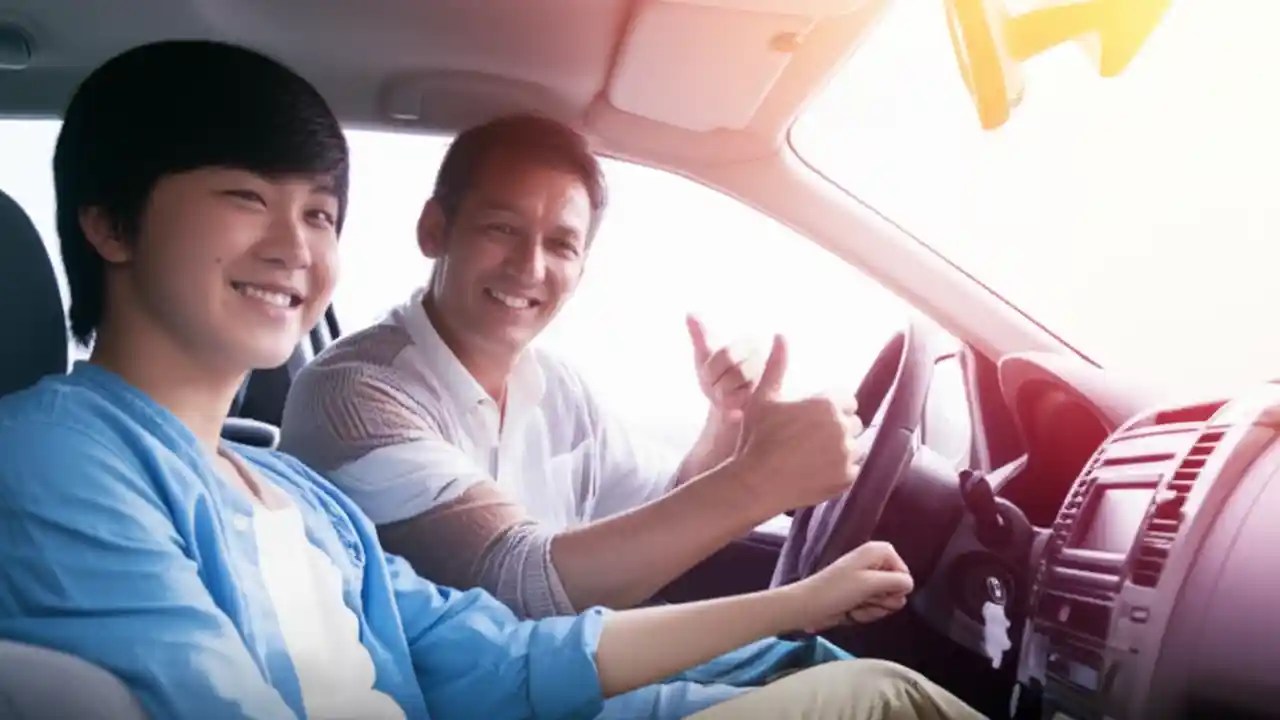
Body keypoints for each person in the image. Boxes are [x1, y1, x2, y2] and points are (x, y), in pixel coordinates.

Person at [0, 39, 986, 720]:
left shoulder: (300, 502)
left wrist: (788, 602)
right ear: (112, 223)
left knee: (853, 681)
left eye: (318, 214)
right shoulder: (60, 457)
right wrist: (759, 488)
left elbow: (499, 656)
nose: (292, 248)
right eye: (245, 200)